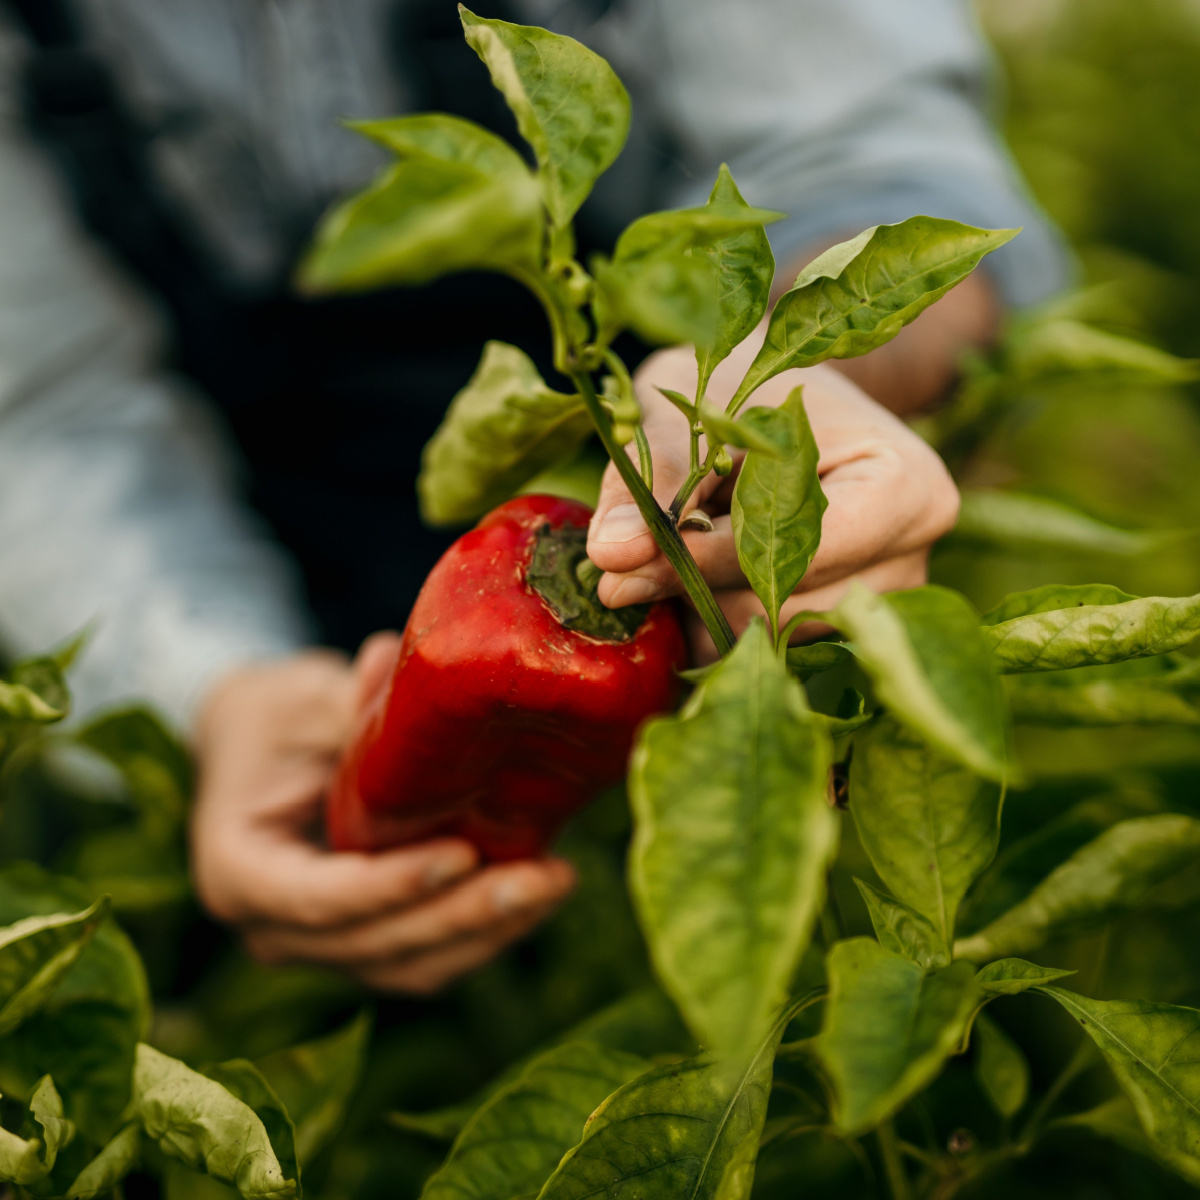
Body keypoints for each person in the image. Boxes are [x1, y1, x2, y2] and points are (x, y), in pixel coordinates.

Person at [0, 0, 1067, 993]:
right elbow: (40, 403)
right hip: (276, 555)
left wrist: (783, 382)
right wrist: (217, 687)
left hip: (699, 552)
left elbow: (878, 176)